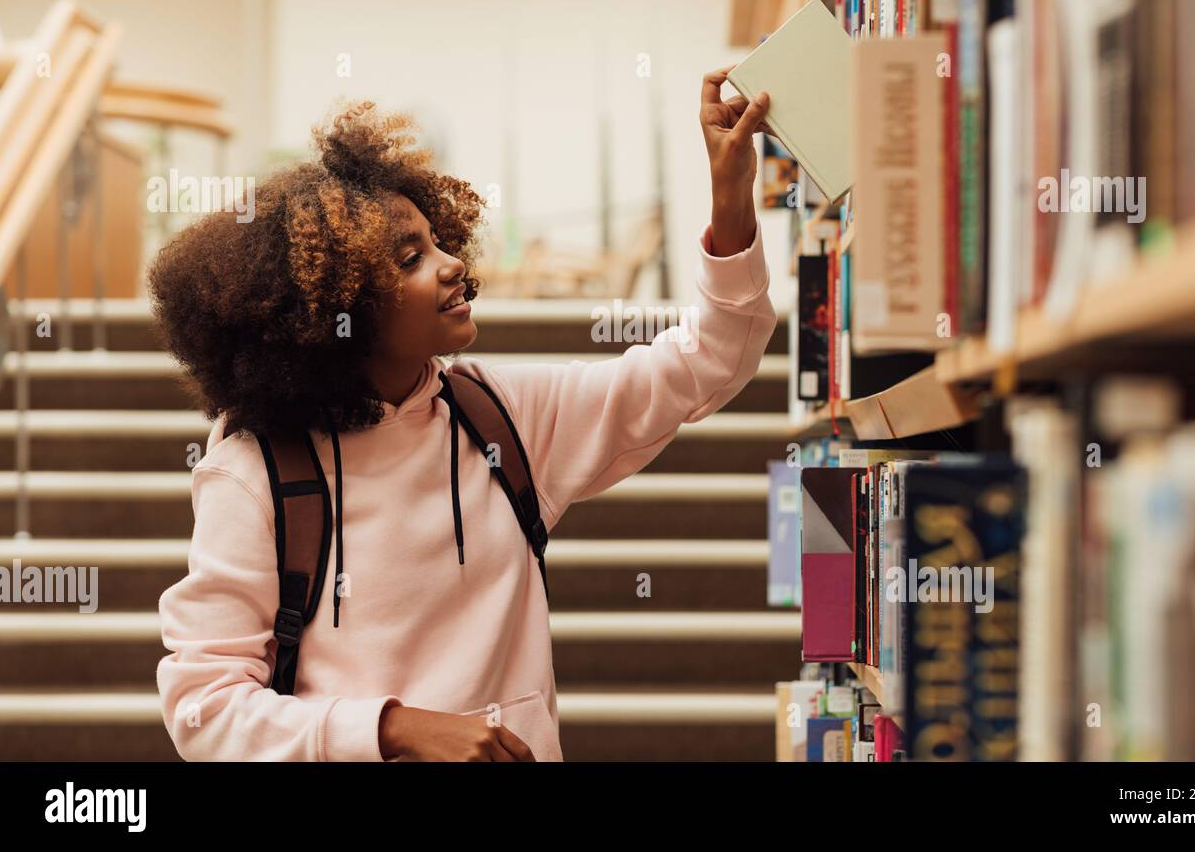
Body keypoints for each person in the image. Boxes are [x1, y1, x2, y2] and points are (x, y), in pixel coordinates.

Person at [151, 67, 777, 761]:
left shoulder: (500, 418)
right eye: (411, 257)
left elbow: (709, 360)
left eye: (438, 241)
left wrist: (730, 197)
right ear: (339, 307)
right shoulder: (254, 473)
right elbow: (205, 709)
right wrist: (391, 729)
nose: (453, 265)